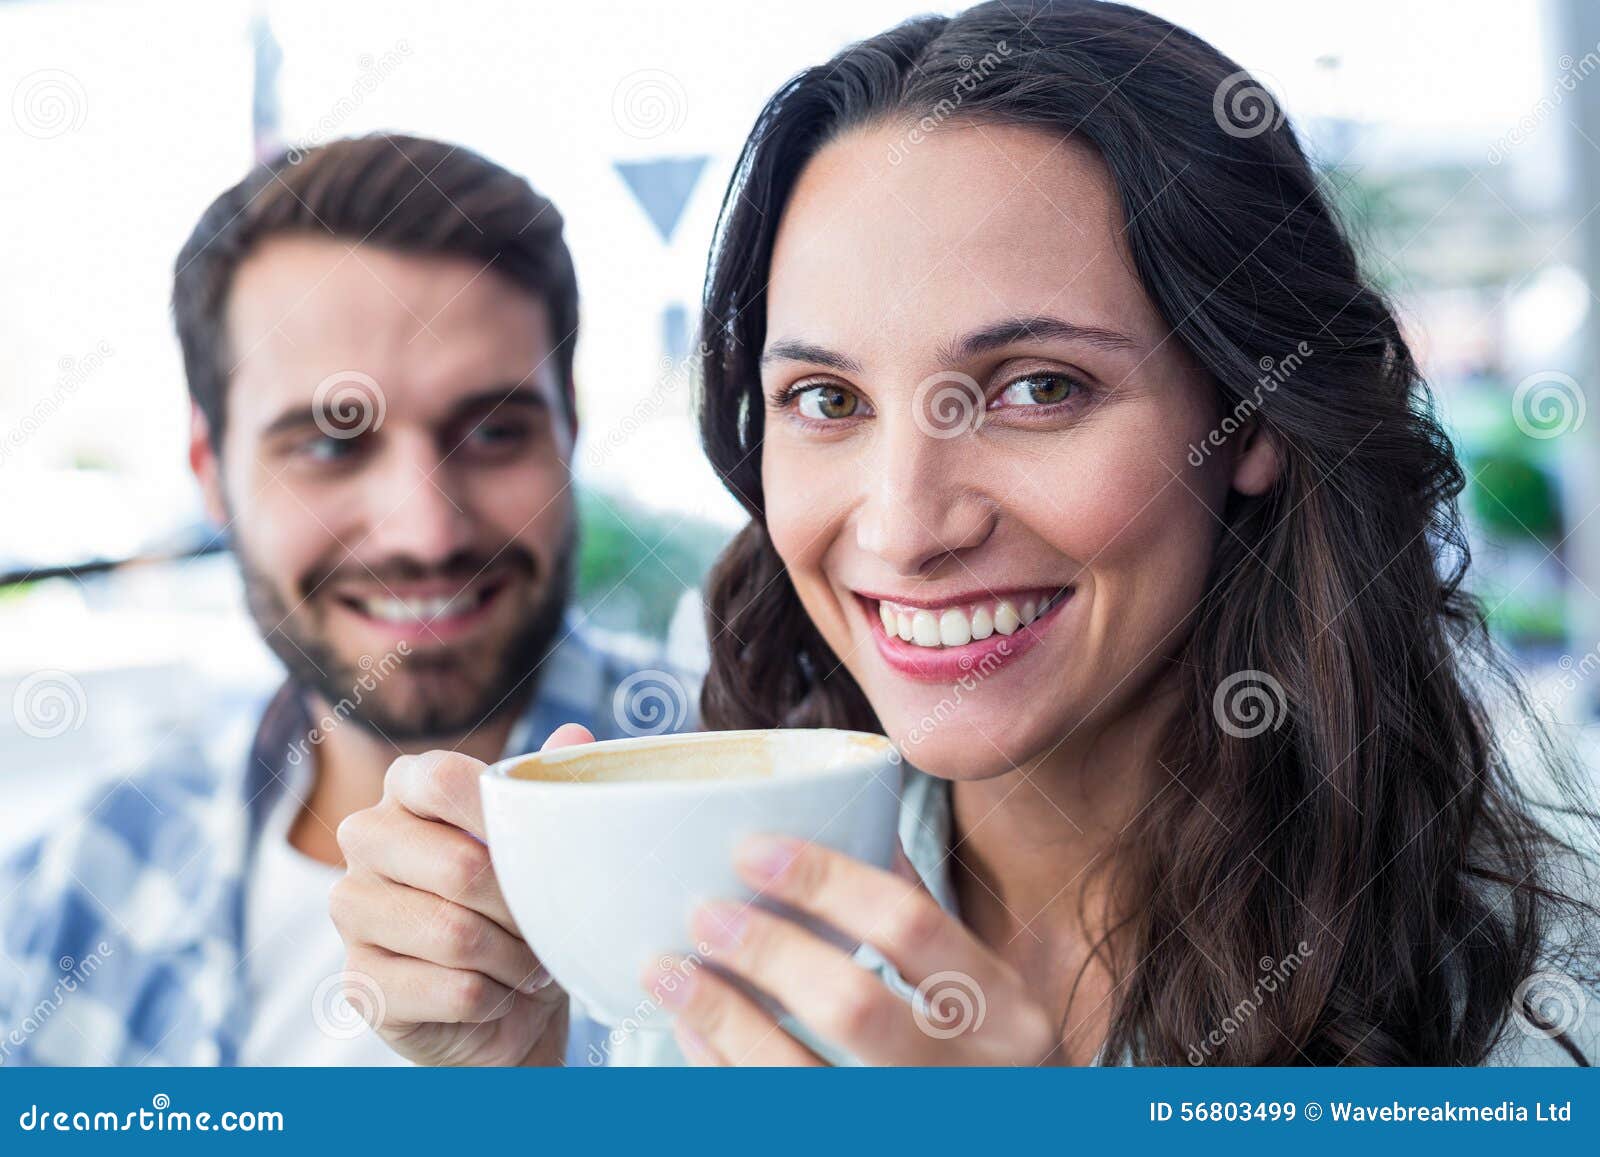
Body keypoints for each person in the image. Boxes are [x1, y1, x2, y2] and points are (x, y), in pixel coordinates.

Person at [336, 1, 1600, 1066]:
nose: (903, 523)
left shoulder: (1552, 977)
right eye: (825, 400)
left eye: (1036, 387)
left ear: (1253, 411)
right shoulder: (703, 933)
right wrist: (518, 1088)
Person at [0, 133, 686, 1065]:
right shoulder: (68, 891)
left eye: (492, 431)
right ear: (212, 471)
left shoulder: (785, 803)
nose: (424, 532)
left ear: (571, 428)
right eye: (329, 444)